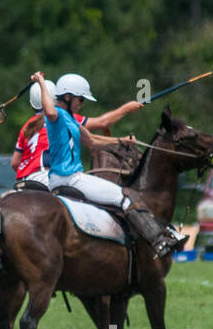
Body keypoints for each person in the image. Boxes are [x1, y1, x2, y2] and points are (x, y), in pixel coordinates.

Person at [35, 71, 187, 257]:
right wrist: (41, 81)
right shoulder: (56, 114)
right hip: (70, 179)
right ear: (67, 96)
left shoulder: (71, 119)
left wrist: (121, 141)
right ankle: (159, 240)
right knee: (125, 196)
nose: (82, 104)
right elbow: (49, 111)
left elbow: (92, 142)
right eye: (81, 100)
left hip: (70, 178)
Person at [11, 77, 142, 186]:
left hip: (23, 179)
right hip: (47, 177)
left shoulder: (27, 126)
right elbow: (102, 123)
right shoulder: (63, 117)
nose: (81, 103)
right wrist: (127, 108)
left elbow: (15, 163)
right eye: (81, 100)